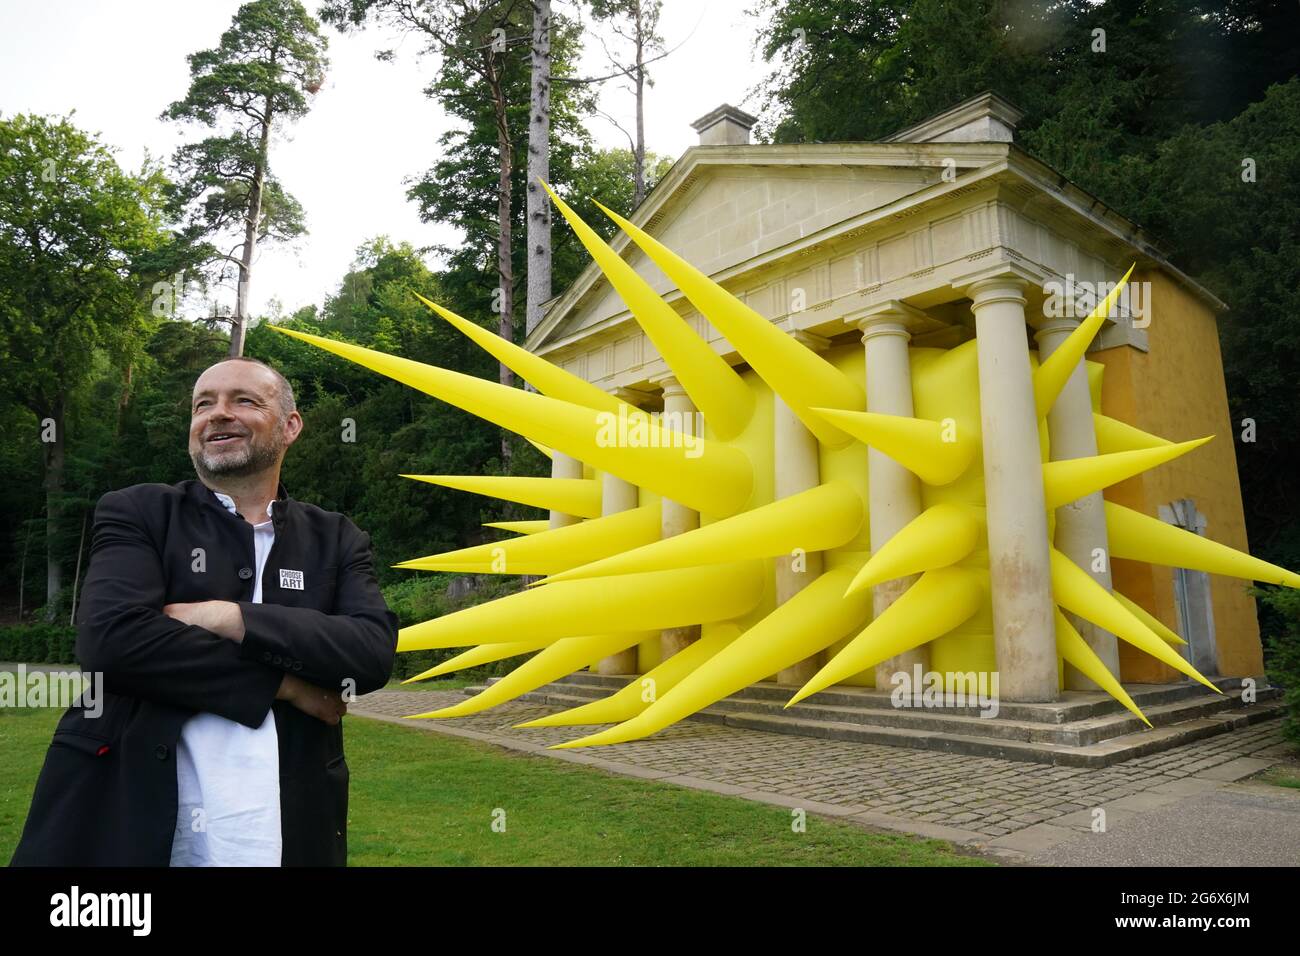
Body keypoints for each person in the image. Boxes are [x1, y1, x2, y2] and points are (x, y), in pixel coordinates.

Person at [9, 356, 399, 866]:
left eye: (243, 400)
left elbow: (370, 652)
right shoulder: (139, 511)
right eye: (203, 404)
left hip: (288, 826)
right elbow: (112, 643)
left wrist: (229, 617)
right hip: (127, 815)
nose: (217, 414)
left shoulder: (337, 537)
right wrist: (282, 684)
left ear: (291, 425)